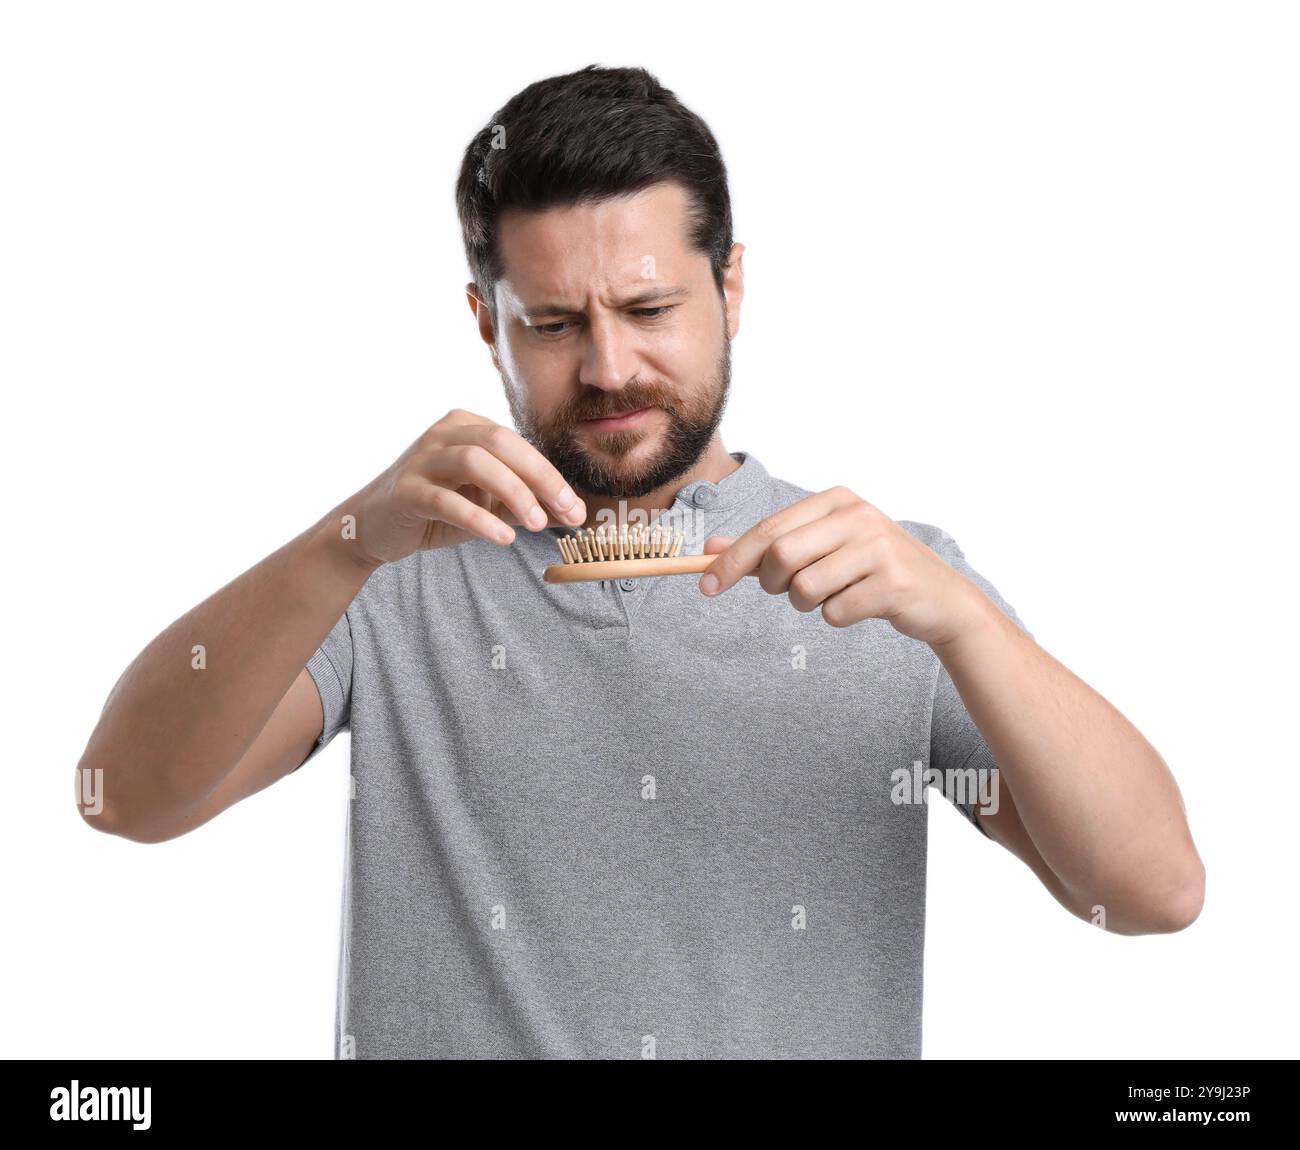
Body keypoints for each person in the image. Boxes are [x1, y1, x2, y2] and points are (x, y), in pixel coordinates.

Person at [76, 64, 1204, 1059]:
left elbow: (1154, 892)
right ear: (486, 324)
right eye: (554, 323)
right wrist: (345, 541)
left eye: (651, 306)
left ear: (732, 287)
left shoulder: (891, 586)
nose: (610, 366)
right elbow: (120, 798)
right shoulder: (392, 576)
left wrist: (964, 621)